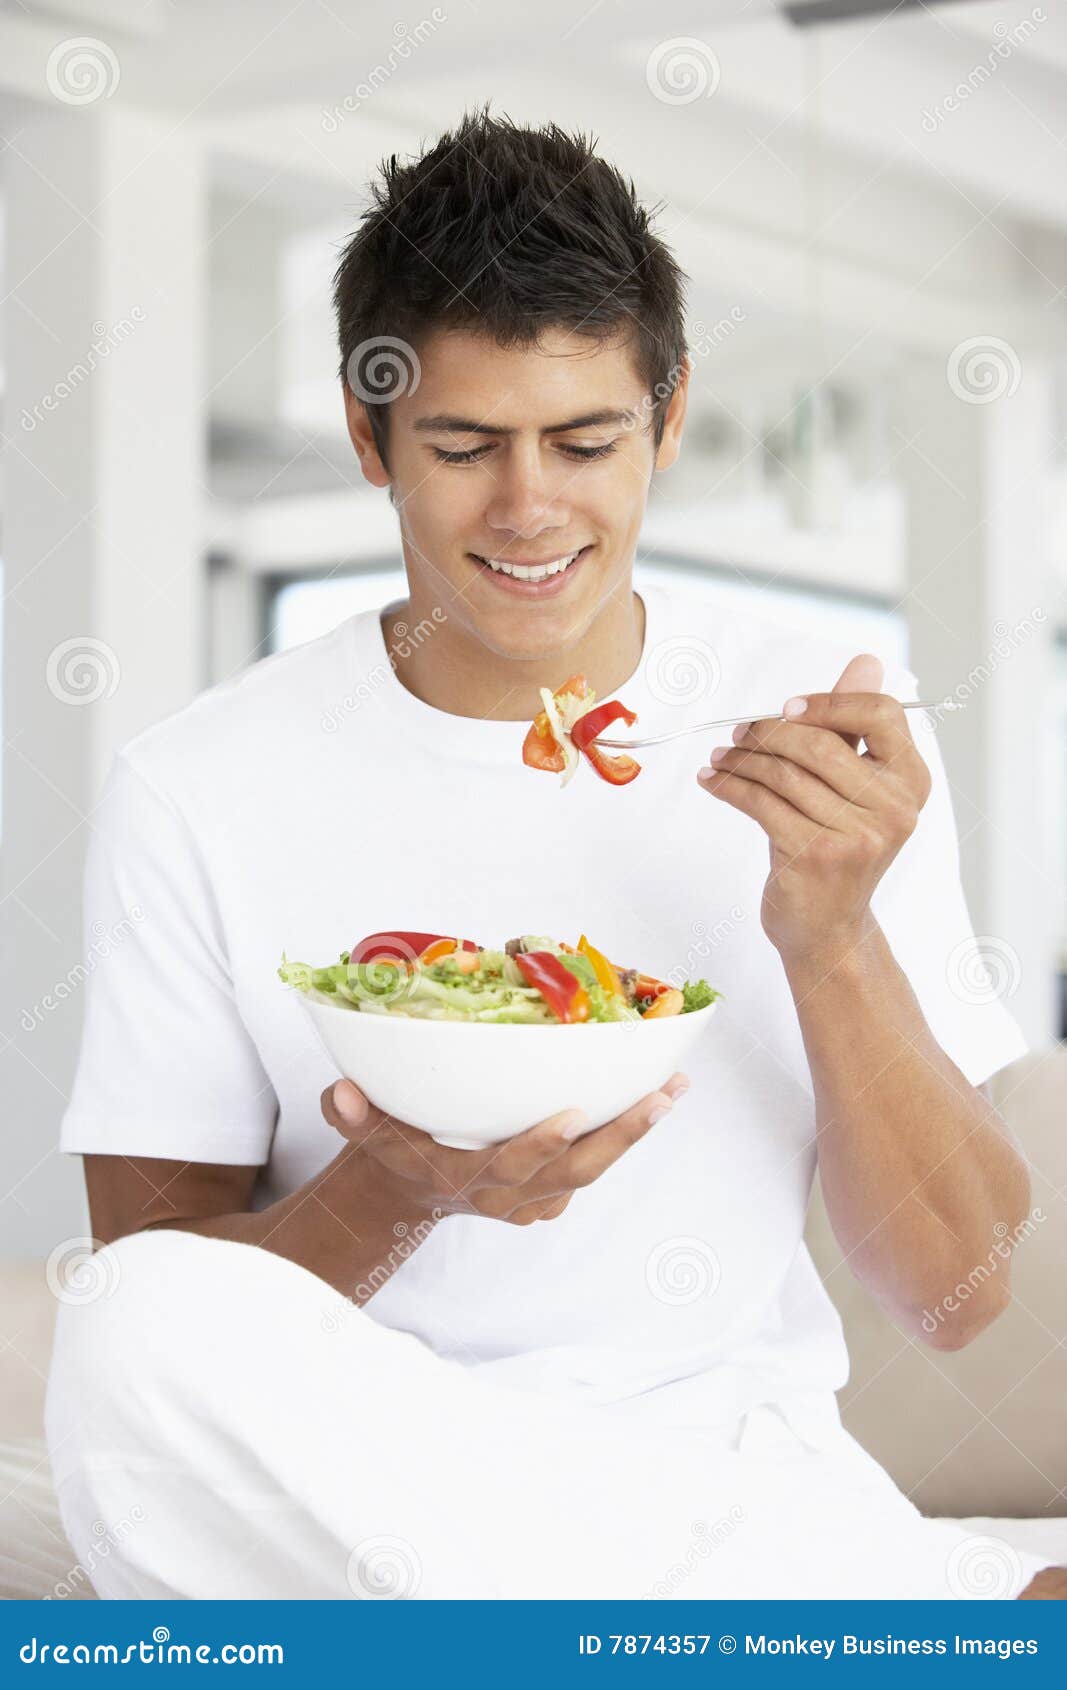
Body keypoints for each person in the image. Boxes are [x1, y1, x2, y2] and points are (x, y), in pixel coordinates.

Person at [46, 111, 1063, 1601]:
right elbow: (164, 1307)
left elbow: (960, 1296)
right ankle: (873, 1614)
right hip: (365, 1475)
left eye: (585, 441)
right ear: (366, 428)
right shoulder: (198, 784)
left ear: (669, 413)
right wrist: (401, 1186)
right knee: (123, 1323)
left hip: (724, 1462)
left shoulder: (818, 730)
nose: (531, 510)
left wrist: (831, 938)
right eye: (465, 446)